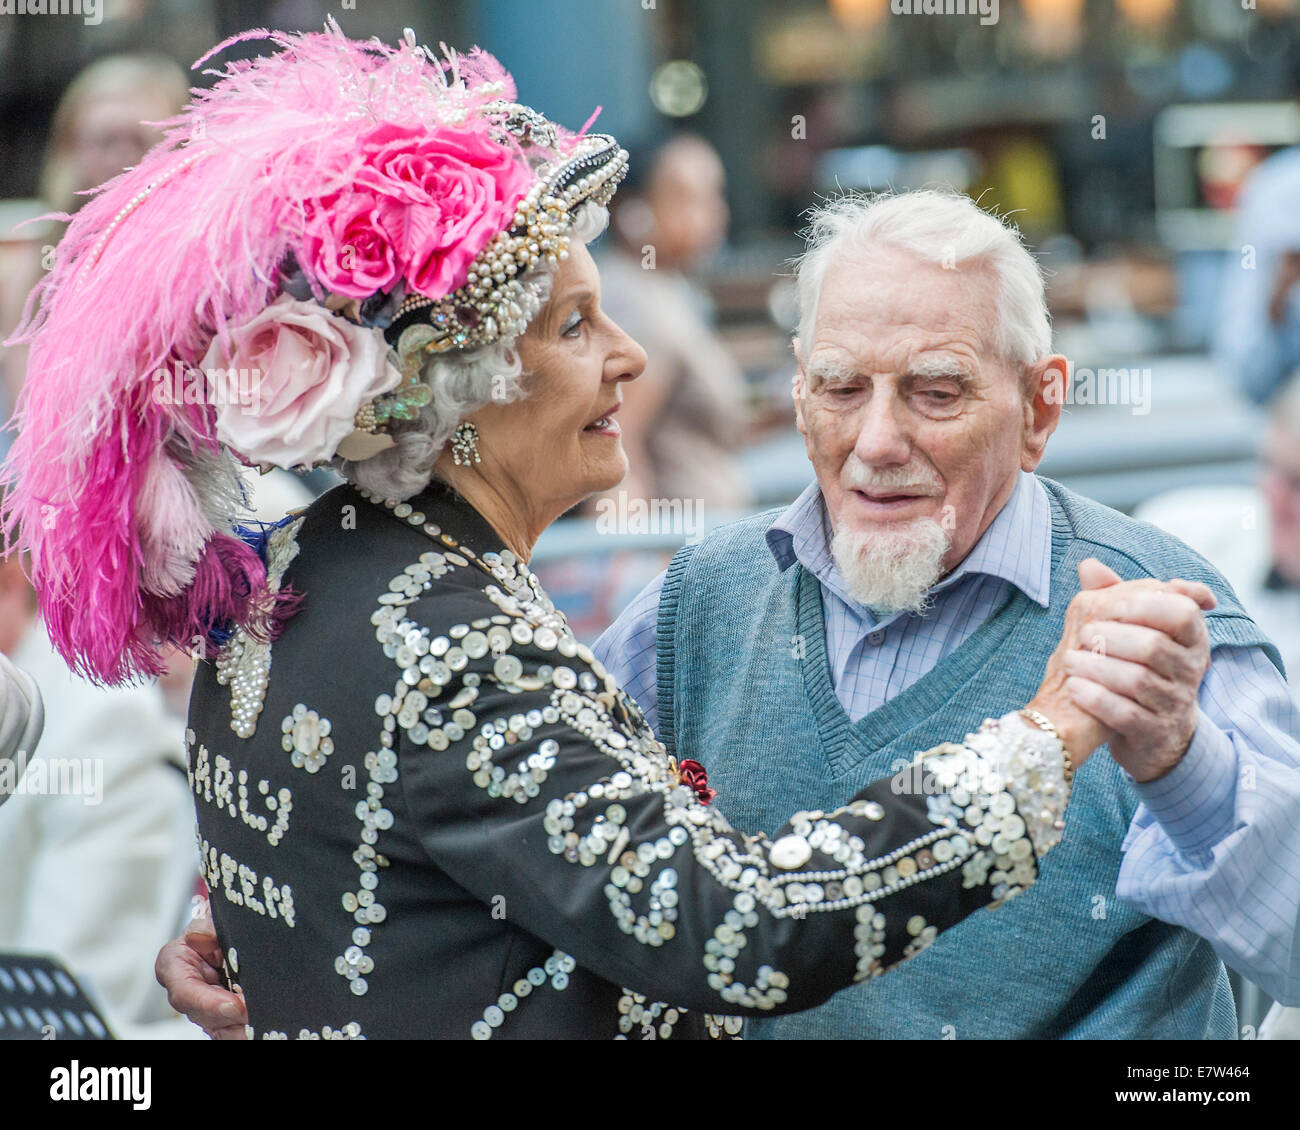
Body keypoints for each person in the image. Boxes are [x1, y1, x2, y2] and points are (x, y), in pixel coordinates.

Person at [5, 24, 1193, 1040]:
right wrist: (1045, 734)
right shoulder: (451, 640)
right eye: (575, 326)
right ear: (462, 398)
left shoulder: (299, 568)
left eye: (933, 390)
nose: (628, 355)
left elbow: (409, 844)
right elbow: (737, 928)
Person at [594, 189, 1300, 1039]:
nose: (878, 440)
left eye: (934, 392)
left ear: (1040, 408)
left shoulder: (1155, 614)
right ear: (798, 392)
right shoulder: (702, 601)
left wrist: (1181, 763)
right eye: (841, 387)